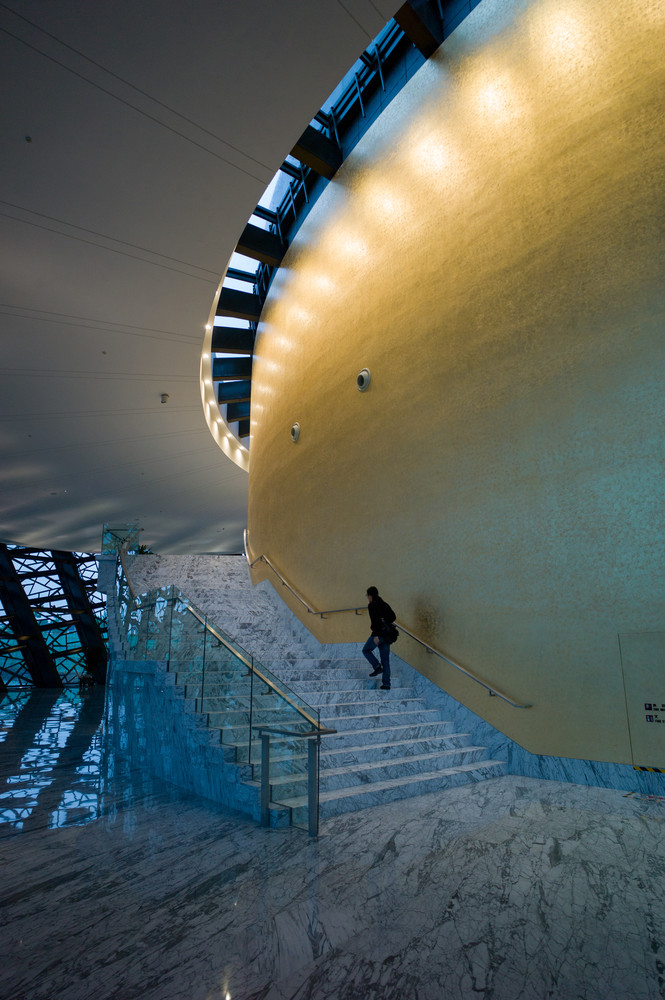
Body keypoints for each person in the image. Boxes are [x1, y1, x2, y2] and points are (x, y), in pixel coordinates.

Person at [362, 586, 396, 690]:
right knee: (385, 661)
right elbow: (393, 617)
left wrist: (376, 634)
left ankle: (377, 667)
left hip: (378, 635)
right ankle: (386, 684)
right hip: (387, 636)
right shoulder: (384, 604)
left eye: (367, 595)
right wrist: (385, 622)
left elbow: (374, 621)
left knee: (366, 650)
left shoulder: (372, 605)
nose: (367, 597)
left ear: (370, 595)